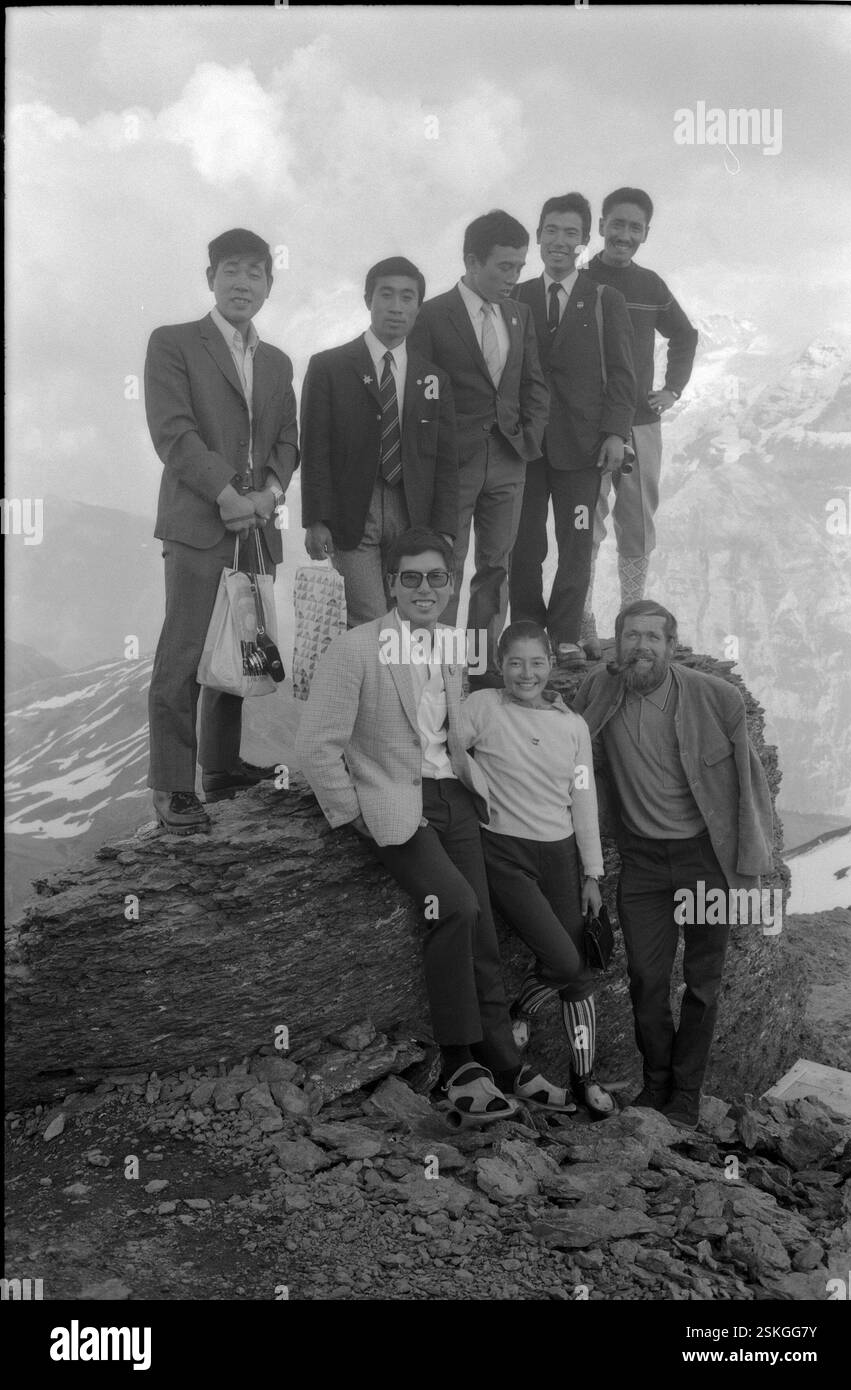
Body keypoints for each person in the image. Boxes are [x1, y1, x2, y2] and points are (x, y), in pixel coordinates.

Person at [295, 527, 570, 1123]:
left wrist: (550, 713)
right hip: (395, 804)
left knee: (485, 933)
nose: (425, 588)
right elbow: (317, 746)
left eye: (437, 577)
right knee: (455, 907)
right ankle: (458, 1065)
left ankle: (503, 1060)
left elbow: (455, 723)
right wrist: (357, 816)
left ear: (450, 584)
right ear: (391, 583)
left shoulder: (451, 645)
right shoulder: (355, 649)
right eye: (411, 577)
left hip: (455, 797)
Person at [571, 600, 775, 1128]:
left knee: (702, 981)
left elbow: (750, 790)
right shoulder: (598, 689)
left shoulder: (717, 698)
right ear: (617, 644)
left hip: (703, 859)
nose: (641, 645)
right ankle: (655, 1081)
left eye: (652, 636)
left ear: (670, 644)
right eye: (630, 635)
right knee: (646, 979)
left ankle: (686, 1093)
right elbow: (566, 745)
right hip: (641, 862)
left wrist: (751, 868)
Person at [145, 228, 298, 834]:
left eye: (256, 273)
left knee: (240, 648)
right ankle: (173, 787)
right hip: (197, 524)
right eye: (231, 270)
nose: (243, 282)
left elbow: (289, 441)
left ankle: (222, 768)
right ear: (211, 278)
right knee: (182, 654)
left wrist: (267, 496)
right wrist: (227, 495)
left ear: (268, 284)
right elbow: (173, 431)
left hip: (256, 526)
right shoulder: (175, 343)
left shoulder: (280, 361)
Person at [462, 620, 616, 1118]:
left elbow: (582, 796)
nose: (525, 673)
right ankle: (520, 1012)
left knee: (580, 976)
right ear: (498, 665)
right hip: (505, 854)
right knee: (566, 960)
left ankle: (583, 1079)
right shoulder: (482, 709)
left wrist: (591, 873)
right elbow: (439, 753)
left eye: (536, 662)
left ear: (550, 665)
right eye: (514, 662)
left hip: (560, 853)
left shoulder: (571, 726)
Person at [410, 211, 549, 685]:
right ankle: (439, 666)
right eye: (503, 267)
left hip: (510, 458)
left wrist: (529, 437)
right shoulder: (430, 315)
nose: (514, 278)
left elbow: (533, 381)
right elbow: (419, 392)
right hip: (453, 463)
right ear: (471, 260)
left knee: (496, 565)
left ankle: (481, 665)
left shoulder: (519, 313)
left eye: (519, 266)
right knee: (446, 561)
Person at [511, 193, 636, 666]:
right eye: (551, 231)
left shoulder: (605, 300)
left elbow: (624, 375)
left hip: (583, 449)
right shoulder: (517, 297)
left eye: (570, 233)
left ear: (585, 241)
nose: (559, 242)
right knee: (523, 546)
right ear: (538, 235)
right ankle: (525, 632)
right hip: (524, 446)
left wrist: (614, 434)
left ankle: (563, 635)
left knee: (576, 543)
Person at [300, 257, 458, 627]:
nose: (397, 307)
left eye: (408, 297)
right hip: (355, 512)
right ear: (368, 299)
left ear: (419, 307)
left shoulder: (433, 378)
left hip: (413, 513)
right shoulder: (330, 367)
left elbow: (445, 460)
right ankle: (374, 684)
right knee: (371, 619)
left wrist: (446, 530)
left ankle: (405, 687)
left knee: (412, 619)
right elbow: (315, 447)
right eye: (386, 295)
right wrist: (316, 520)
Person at [582, 189, 699, 657]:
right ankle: (582, 622)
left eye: (635, 227)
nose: (624, 234)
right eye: (617, 223)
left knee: (637, 521)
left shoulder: (652, 286)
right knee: (584, 522)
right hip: (586, 424)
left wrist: (672, 389)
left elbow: (685, 336)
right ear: (602, 226)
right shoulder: (580, 281)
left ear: (646, 234)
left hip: (640, 422)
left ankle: (634, 620)